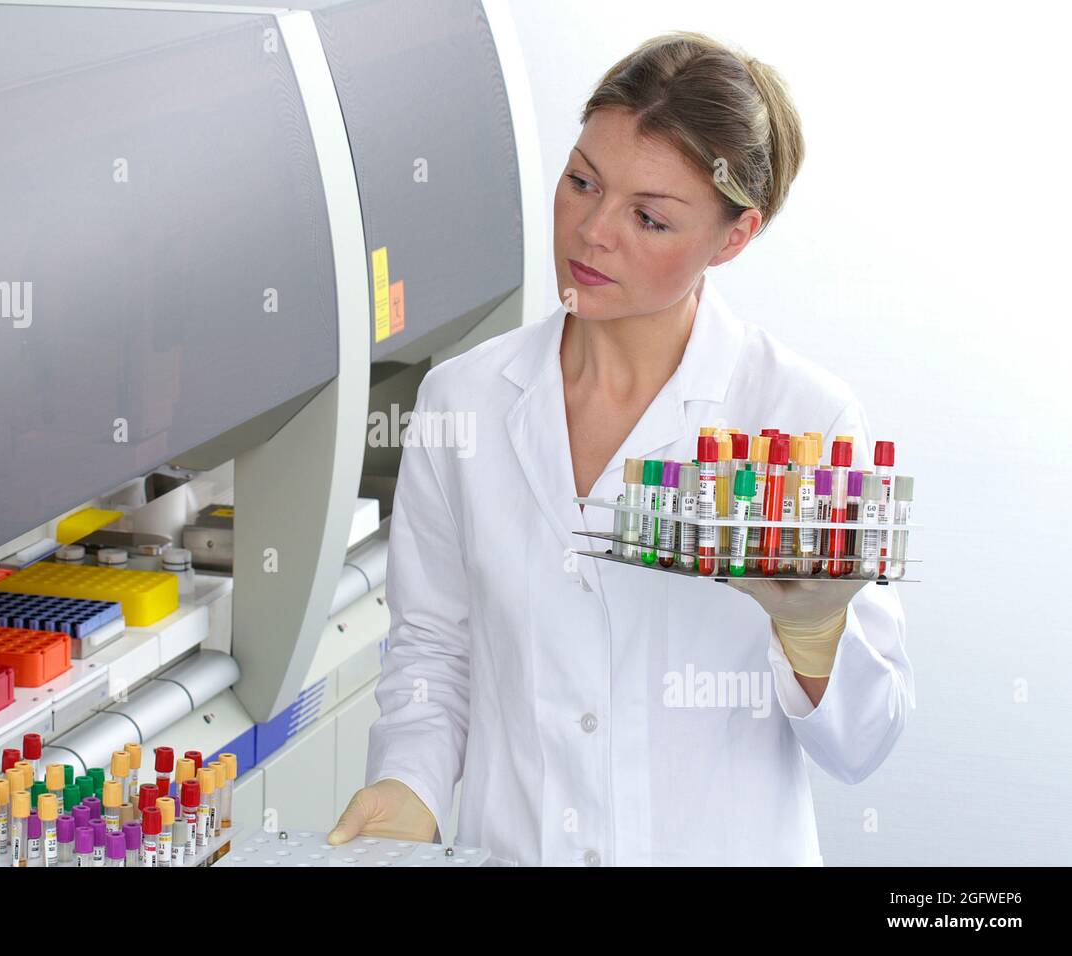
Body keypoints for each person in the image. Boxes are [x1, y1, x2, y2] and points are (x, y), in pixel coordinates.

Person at [328, 31, 913, 865]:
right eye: (581, 182)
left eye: (649, 216)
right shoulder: (462, 401)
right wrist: (408, 790)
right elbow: (434, 651)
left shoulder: (802, 422)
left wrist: (817, 639)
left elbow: (864, 744)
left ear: (735, 237)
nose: (593, 231)